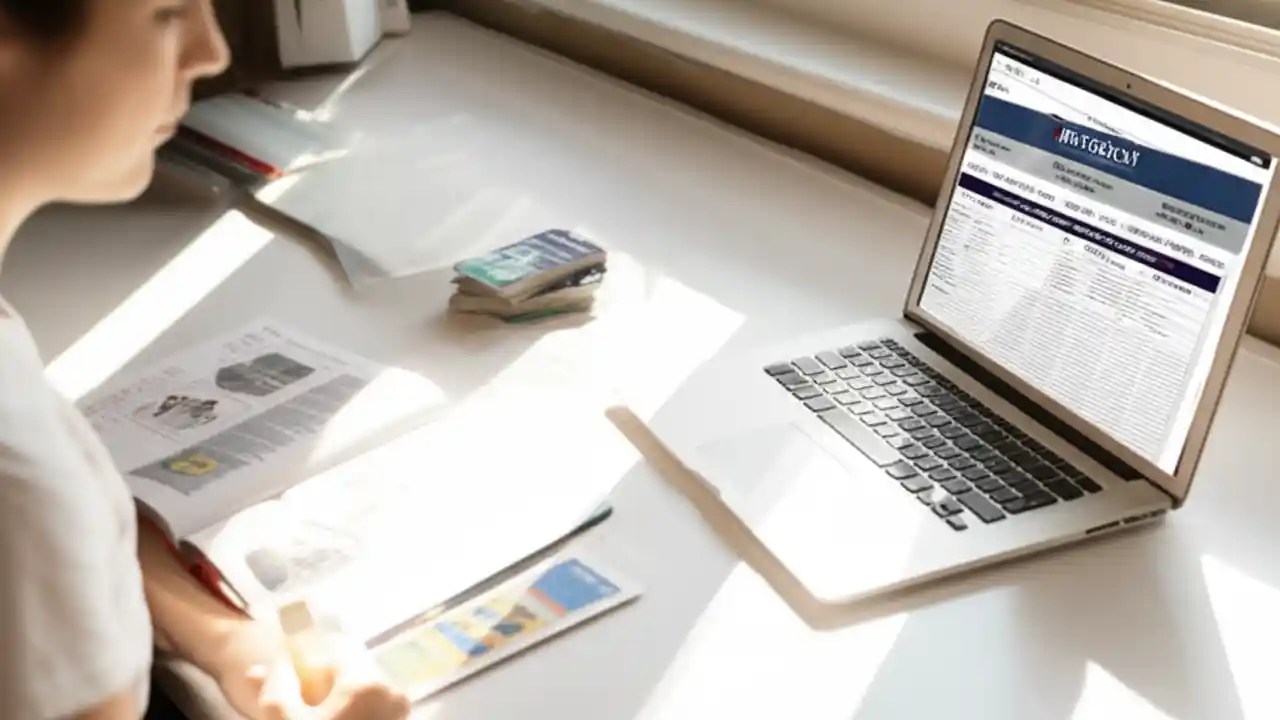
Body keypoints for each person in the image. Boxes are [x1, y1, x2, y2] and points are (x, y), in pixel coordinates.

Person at [0, 2, 411, 719]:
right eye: (168, 14)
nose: (212, 51)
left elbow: (69, 535)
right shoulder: (20, 487)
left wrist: (234, 645)